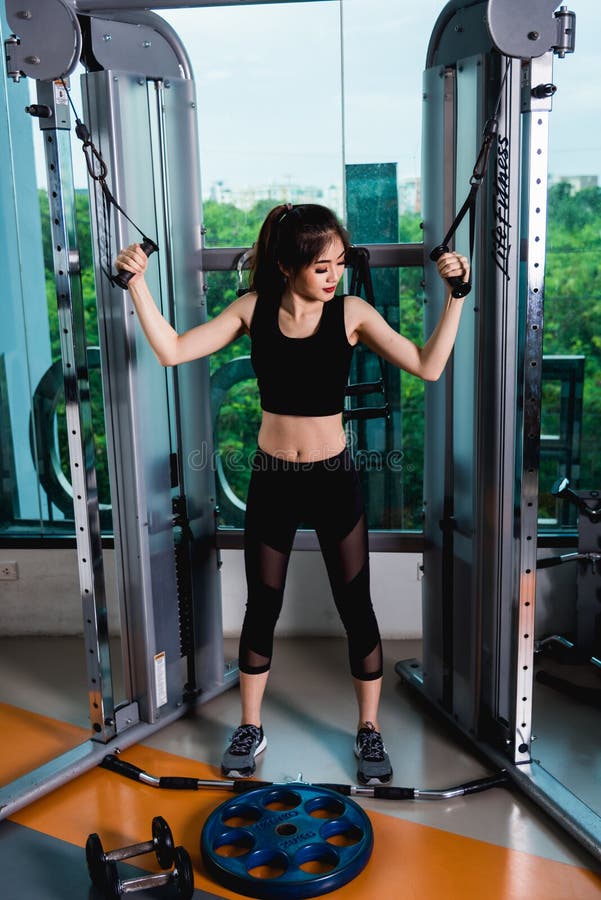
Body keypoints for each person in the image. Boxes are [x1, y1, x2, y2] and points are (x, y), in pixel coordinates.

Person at [115, 203, 469, 785]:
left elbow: (428, 366)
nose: (335, 276)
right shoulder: (253, 309)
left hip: (333, 478)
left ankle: (370, 728)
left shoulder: (351, 313)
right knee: (262, 605)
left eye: (340, 264)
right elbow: (172, 350)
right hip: (274, 478)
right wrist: (136, 286)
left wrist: (456, 296)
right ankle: (250, 726)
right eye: (322, 267)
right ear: (286, 266)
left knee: (356, 605)